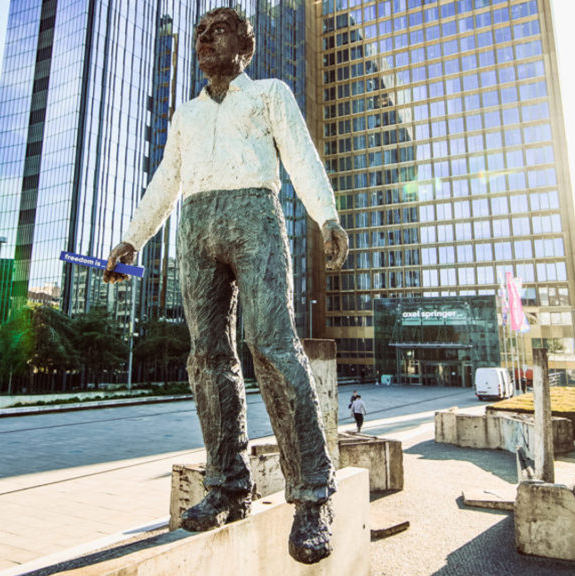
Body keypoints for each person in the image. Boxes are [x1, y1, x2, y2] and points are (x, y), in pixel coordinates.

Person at [103, 6, 348, 565]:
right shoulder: (186, 115)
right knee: (207, 356)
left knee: (272, 346)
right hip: (196, 227)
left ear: (246, 44)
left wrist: (326, 215)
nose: (204, 38)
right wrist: (133, 239)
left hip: (254, 217)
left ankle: (312, 496)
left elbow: (301, 156)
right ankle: (227, 484)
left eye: (217, 29)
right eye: (199, 32)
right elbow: (166, 178)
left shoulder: (269, 94)